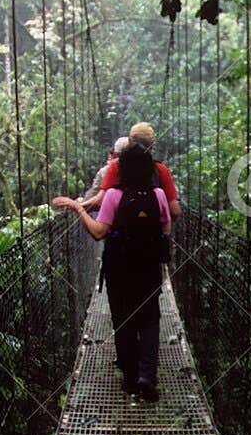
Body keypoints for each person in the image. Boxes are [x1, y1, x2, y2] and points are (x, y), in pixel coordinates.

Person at [53, 142, 171, 401]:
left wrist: (79, 208)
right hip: (149, 269)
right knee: (150, 321)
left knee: (123, 320)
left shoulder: (114, 196)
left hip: (120, 269)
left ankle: (130, 379)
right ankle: (147, 376)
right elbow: (166, 230)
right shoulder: (158, 195)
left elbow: (98, 232)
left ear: (121, 169)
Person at [98, 122, 181, 218]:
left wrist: (83, 208)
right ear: (152, 145)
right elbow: (175, 211)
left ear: (129, 142)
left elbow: (100, 201)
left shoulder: (116, 166)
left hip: (120, 226)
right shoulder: (160, 169)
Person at [79, 136, 130, 211]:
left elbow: (98, 199)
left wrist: (78, 206)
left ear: (115, 154)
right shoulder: (142, 167)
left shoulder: (110, 168)